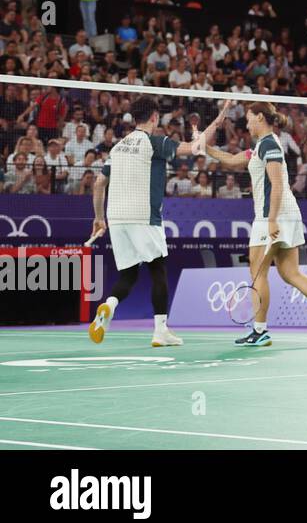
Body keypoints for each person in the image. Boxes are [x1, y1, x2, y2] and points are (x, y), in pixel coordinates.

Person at [203, 100, 307, 347]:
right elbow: (229, 159)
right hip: (285, 214)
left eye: (249, 118)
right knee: (289, 272)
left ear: (260, 118)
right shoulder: (260, 147)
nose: (246, 123)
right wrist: (203, 147)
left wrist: (271, 221)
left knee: (257, 271)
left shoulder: (270, 144)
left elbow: (278, 184)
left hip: (272, 215)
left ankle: (260, 330)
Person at [89, 98, 219, 347]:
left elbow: (98, 184)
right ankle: (161, 331)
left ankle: (109, 305)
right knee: (158, 270)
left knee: (128, 275)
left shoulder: (117, 147)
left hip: (116, 218)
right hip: (144, 216)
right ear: (154, 118)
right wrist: (217, 121)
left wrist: (98, 218)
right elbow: (194, 148)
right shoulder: (155, 142)